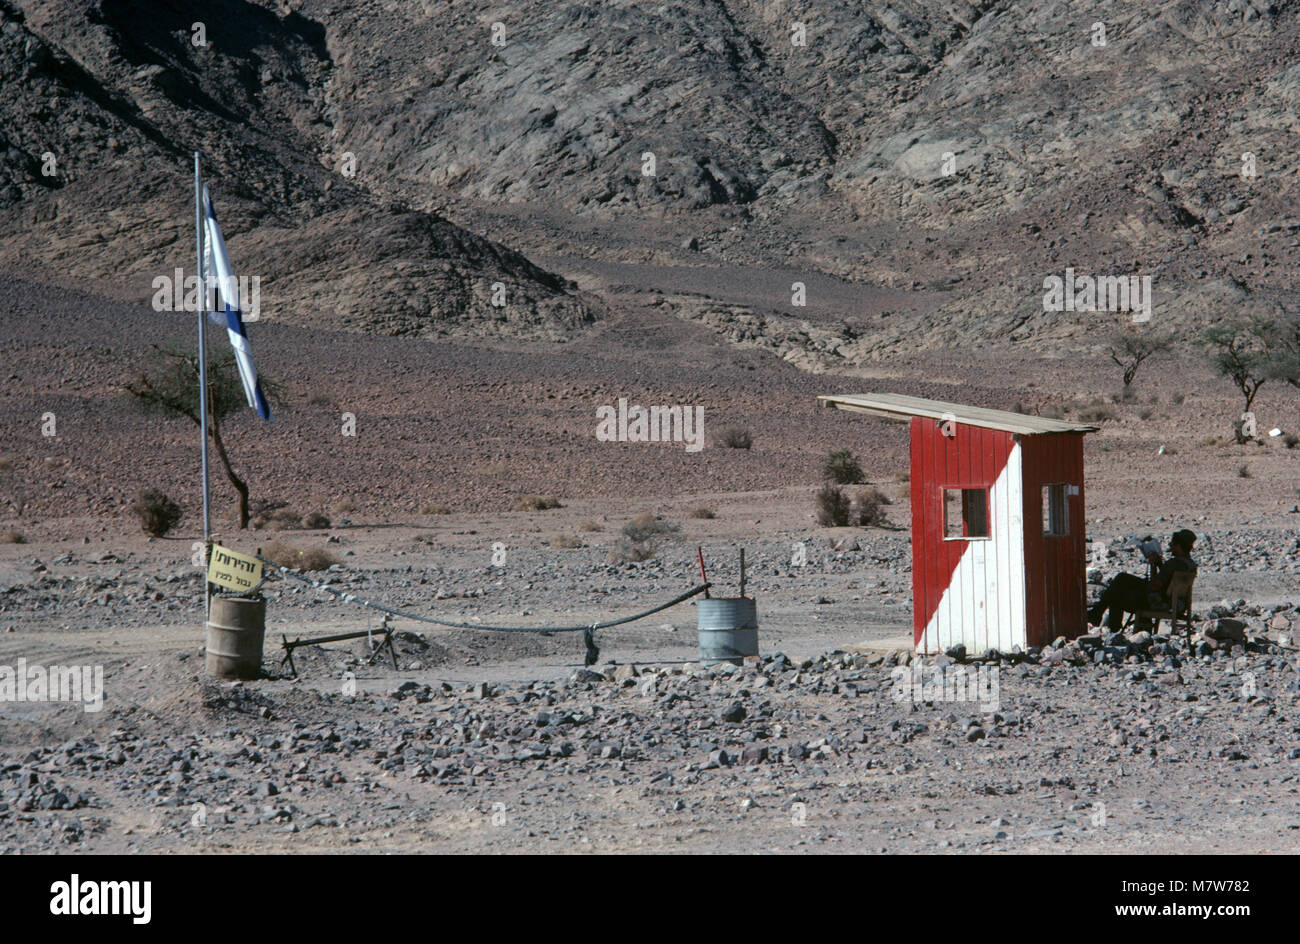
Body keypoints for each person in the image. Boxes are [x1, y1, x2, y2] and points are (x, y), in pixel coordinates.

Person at [1087, 529, 1197, 631]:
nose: (1171, 547)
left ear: (1178, 546)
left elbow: (1156, 586)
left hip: (1159, 601)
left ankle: (1104, 622)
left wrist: (1150, 571)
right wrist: (1159, 564)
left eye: (1172, 544)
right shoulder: (1190, 565)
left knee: (1120, 584)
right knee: (1119, 588)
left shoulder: (1173, 563)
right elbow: (1168, 581)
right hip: (1176, 603)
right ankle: (1100, 617)